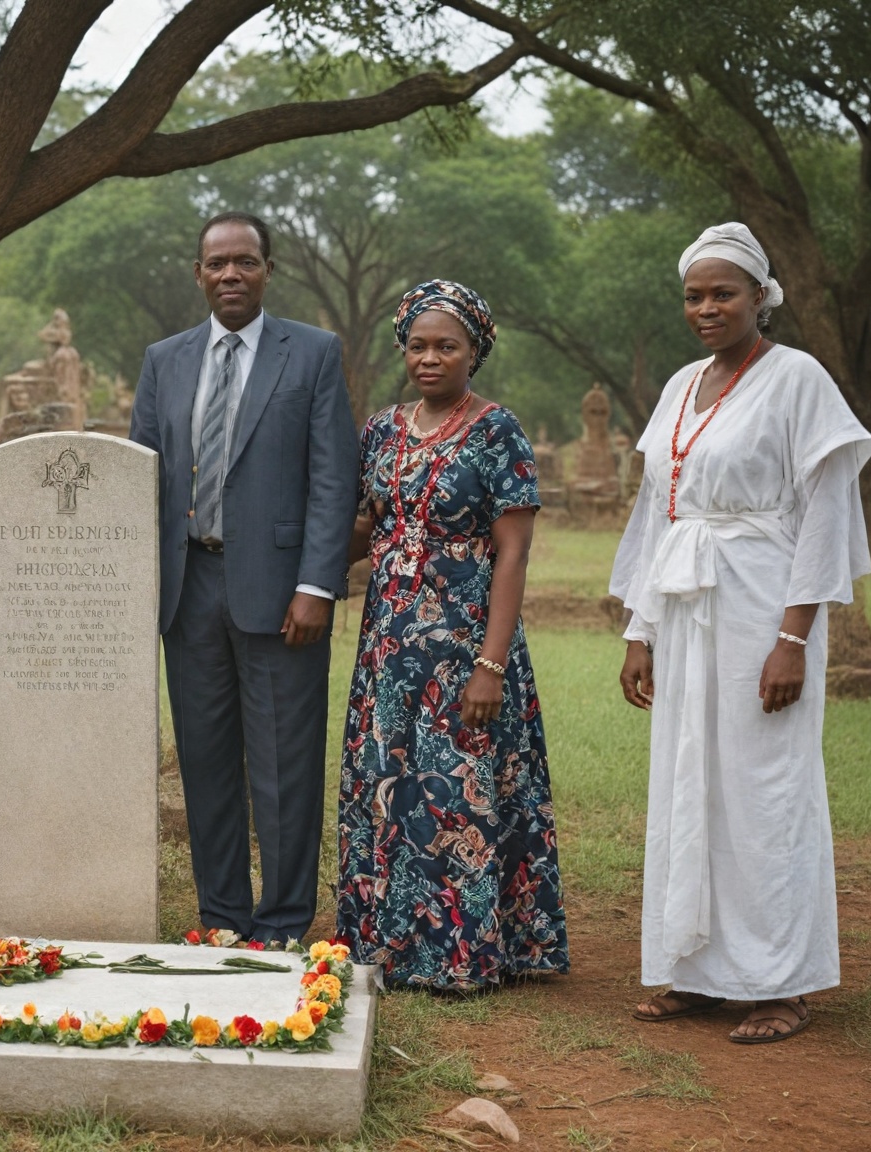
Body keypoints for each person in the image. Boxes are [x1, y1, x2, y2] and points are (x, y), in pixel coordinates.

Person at [611, 223, 871, 1044]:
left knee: (766, 788)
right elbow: (661, 514)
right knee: (691, 780)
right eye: (694, 294)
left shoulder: (798, 379)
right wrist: (640, 628)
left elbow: (826, 514)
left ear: (762, 296)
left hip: (764, 604)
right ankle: (698, 968)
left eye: (724, 292)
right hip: (688, 611)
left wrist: (794, 637)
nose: (706, 307)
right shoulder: (682, 384)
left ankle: (778, 984)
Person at [127, 212, 359, 947]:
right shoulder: (165, 360)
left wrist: (317, 585)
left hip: (284, 593)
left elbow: (333, 478)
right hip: (188, 588)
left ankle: (284, 923)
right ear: (198, 272)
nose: (231, 274)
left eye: (246, 262)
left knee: (286, 765)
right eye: (217, 263)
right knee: (204, 760)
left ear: (267, 269)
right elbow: (141, 474)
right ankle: (222, 917)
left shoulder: (313, 353)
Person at [337, 280, 568, 991]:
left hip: (464, 644)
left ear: (476, 352)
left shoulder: (498, 430)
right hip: (390, 644)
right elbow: (364, 528)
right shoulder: (381, 429)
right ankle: (387, 944)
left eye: (447, 346)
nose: (429, 358)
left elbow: (514, 553)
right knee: (389, 786)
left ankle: (460, 952)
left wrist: (490, 665)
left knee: (458, 794)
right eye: (417, 345)